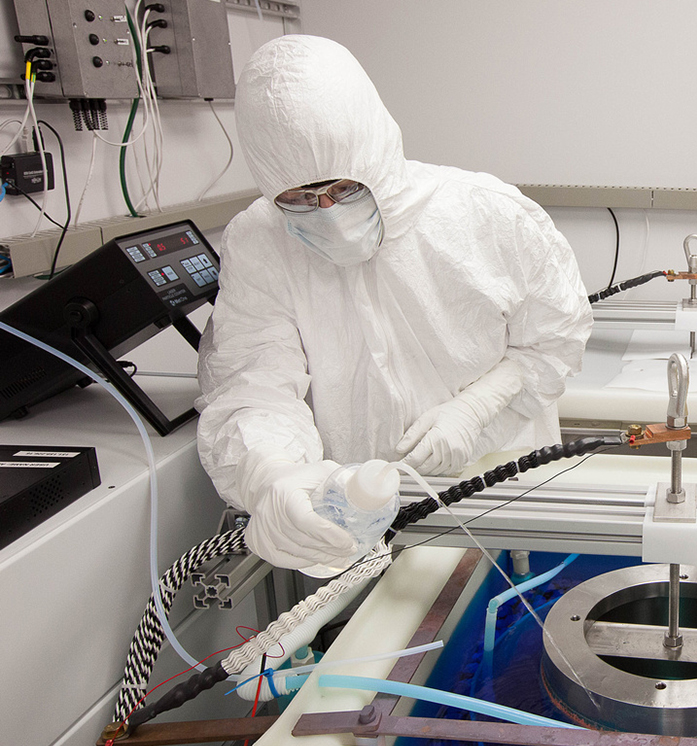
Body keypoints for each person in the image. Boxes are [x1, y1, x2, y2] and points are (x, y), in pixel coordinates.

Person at [196, 36, 591, 576]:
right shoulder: (261, 242)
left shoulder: (489, 216)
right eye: (300, 198)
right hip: (358, 524)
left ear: (374, 150)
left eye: (343, 188)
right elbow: (253, 383)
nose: (328, 212)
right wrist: (270, 472)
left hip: (505, 493)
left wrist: (476, 408)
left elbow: (554, 342)